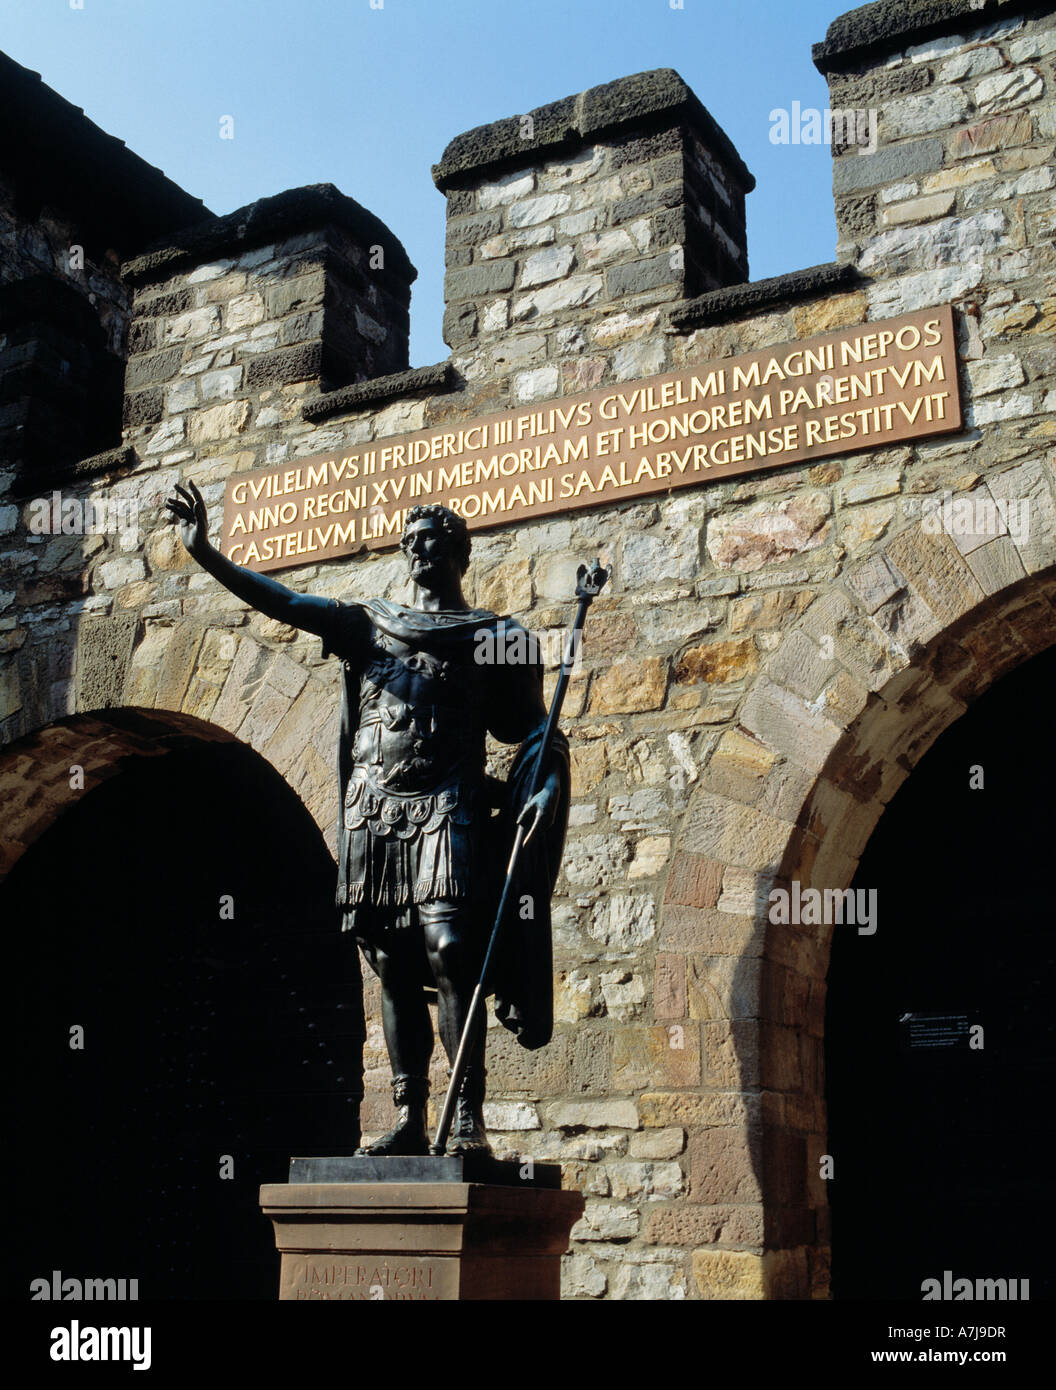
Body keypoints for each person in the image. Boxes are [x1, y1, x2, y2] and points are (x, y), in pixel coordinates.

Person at [166, 481, 569, 1156]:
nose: (418, 552)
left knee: (449, 948)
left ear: (460, 554)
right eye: (410, 543)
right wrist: (205, 552)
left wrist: (540, 779)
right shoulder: (369, 624)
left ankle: (467, 1117)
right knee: (389, 961)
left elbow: (532, 728)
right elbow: (286, 602)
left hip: (449, 807)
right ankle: (411, 1115)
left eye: (432, 542)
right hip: (376, 811)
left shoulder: (497, 637)